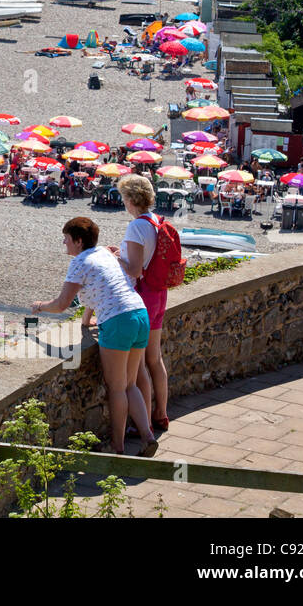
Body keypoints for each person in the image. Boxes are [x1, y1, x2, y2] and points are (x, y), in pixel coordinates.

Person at [32, 217, 156, 456]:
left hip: (118, 321)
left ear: (78, 241)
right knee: (131, 385)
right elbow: (99, 290)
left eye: (66, 239)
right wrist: (86, 320)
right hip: (139, 314)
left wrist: (39, 306)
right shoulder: (104, 254)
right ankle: (147, 436)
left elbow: (61, 304)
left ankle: (118, 447)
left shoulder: (79, 263)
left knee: (117, 388)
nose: (64, 243)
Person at [114, 173, 171, 434]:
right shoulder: (157, 221)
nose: (122, 201)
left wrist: (114, 257)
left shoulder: (136, 226)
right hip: (159, 293)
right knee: (155, 358)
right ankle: (161, 414)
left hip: (143, 295)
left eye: (123, 196)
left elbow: (135, 270)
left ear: (131, 198)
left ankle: (144, 422)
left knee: (138, 366)